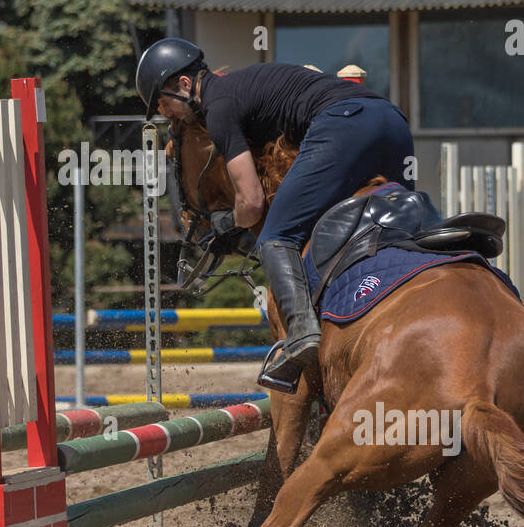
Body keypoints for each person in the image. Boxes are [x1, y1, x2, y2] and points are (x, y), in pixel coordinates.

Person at [136, 38, 415, 393]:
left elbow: (251, 202)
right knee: (396, 226)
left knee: (277, 236)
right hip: (392, 121)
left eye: (163, 103)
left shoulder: (219, 108)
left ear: (186, 85)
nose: (166, 115)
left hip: (343, 124)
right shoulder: (242, 89)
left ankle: (301, 335)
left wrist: (225, 223)